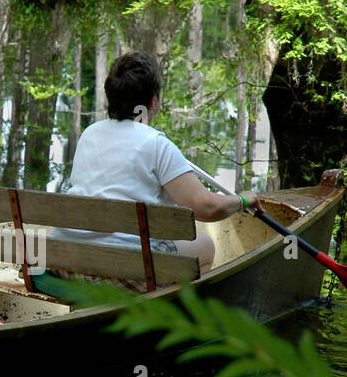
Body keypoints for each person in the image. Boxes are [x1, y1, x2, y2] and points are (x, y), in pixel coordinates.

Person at [56, 50, 256, 274]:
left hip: (69, 257)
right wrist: (242, 200)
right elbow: (206, 207)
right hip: (121, 268)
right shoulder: (156, 145)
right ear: (153, 101)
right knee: (205, 245)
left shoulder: (89, 134)